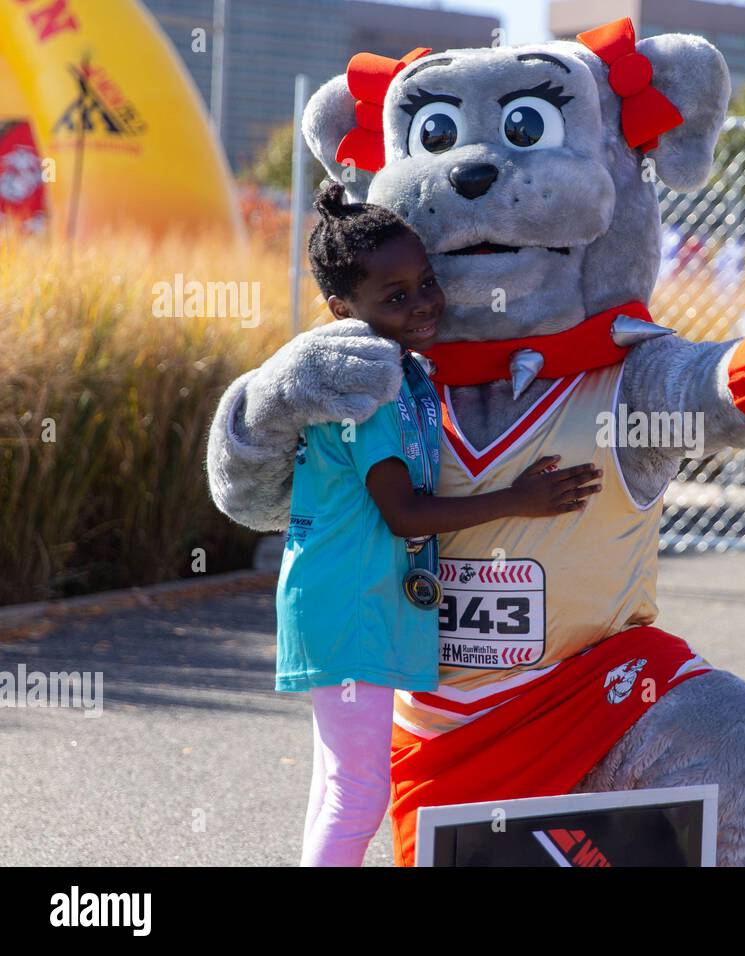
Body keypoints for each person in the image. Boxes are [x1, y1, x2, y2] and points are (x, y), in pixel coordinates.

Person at [278, 184, 602, 865]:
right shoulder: (366, 388)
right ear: (343, 310)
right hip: (348, 607)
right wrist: (520, 501)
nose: (422, 303)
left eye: (425, 282)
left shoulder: (403, 371)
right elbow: (405, 513)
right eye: (395, 296)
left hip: (353, 604)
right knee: (359, 796)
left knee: (338, 787)